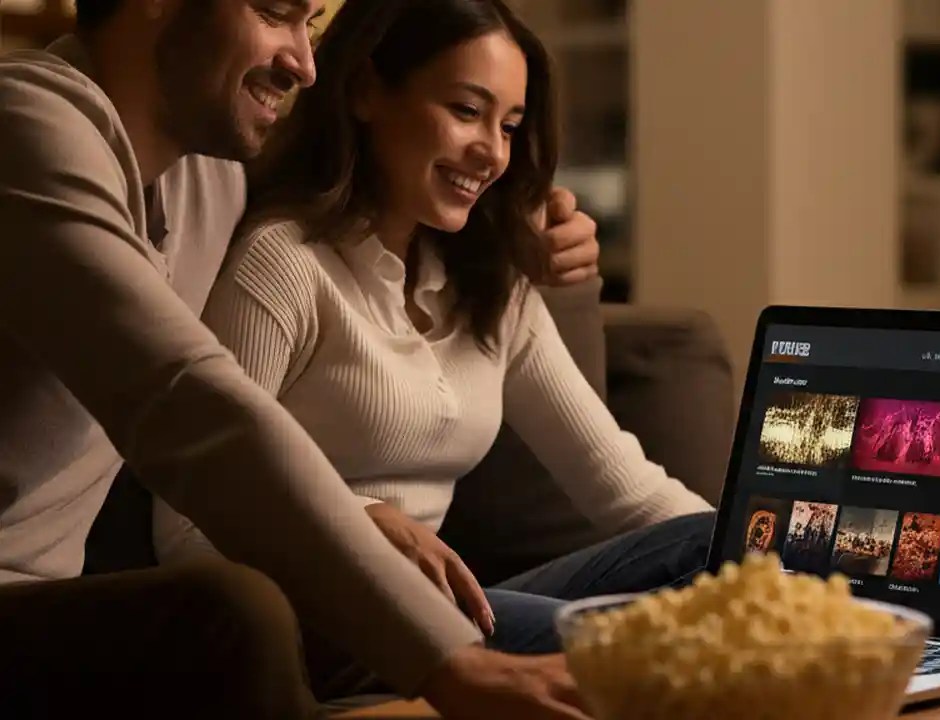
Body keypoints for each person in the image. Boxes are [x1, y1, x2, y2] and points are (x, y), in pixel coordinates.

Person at [0, 0, 612, 717]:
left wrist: (529, 215)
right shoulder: (25, 127)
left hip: (54, 606)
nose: (305, 63)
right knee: (234, 609)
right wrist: (451, 662)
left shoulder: (211, 178)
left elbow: (352, 163)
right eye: (276, 12)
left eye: (311, 27)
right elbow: (189, 404)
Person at [150, 0, 715, 697]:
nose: (493, 152)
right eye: (466, 110)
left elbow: (626, 488)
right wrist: (358, 519)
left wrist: (779, 579)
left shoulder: (491, 284)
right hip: (324, 618)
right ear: (366, 90)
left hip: (452, 613)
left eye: (508, 126)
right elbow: (185, 532)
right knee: (654, 644)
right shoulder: (283, 266)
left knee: (725, 548)